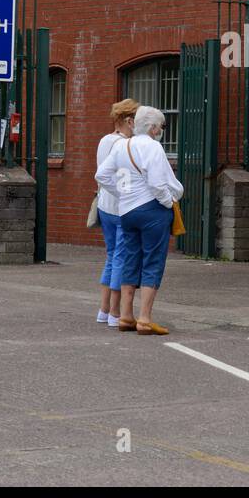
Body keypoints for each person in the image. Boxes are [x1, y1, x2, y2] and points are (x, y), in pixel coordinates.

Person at [95, 106, 182, 336]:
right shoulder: (153, 147)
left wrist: (121, 194)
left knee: (129, 258)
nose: (161, 131)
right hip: (152, 210)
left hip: (126, 211)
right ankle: (144, 318)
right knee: (153, 260)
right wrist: (166, 202)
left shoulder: (121, 145)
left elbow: (101, 175)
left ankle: (125, 316)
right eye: (161, 126)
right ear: (153, 127)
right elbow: (156, 183)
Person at [95, 99, 140, 329]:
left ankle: (103, 310)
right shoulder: (124, 145)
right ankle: (114, 312)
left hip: (104, 206)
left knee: (112, 256)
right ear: (129, 121)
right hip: (120, 208)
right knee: (122, 258)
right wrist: (125, 196)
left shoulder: (104, 140)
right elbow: (121, 179)